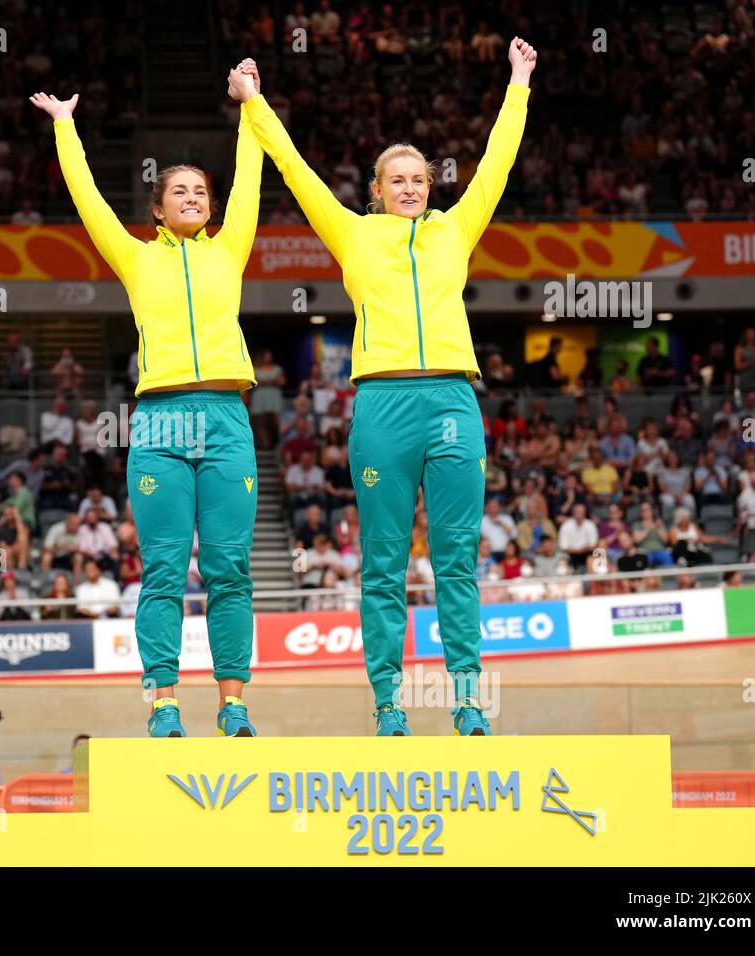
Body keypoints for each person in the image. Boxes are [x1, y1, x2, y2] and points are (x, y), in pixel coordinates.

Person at [236, 41, 536, 735]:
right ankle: (388, 704)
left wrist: (518, 81)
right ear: (376, 190)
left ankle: (466, 701)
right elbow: (296, 168)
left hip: (455, 402)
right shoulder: (352, 234)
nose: (410, 186)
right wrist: (254, 104)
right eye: (396, 179)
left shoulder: (457, 229)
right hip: (381, 406)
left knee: (457, 558)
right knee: (384, 564)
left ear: (431, 187)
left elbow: (498, 161)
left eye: (420, 179)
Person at [31, 62, 263, 739]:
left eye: (200, 190)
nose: (192, 196)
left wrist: (250, 107)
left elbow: (251, 175)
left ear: (210, 207)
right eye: (178, 191)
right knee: (163, 568)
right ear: (157, 210)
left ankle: (233, 702)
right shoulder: (136, 258)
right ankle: (163, 702)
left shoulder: (231, 248)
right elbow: (89, 203)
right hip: (162, 418)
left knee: (230, 569)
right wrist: (67, 130)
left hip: (225, 418)